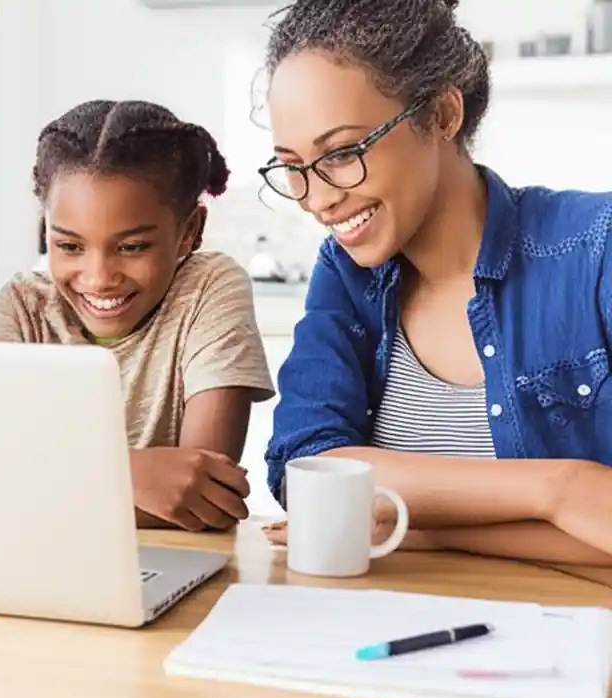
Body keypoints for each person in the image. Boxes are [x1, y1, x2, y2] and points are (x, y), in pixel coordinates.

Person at [261, 0, 612, 564]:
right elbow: (306, 468)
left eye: (343, 153)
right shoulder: (348, 272)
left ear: (443, 115)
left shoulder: (595, 249)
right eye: (292, 167)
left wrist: (412, 526)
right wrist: (558, 490)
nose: (318, 199)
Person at [0, 100, 275, 531]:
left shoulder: (210, 289)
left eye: (133, 247)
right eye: (68, 246)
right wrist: (132, 474)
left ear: (189, 232)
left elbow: (206, 499)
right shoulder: (23, 308)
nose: (99, 278)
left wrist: (52, 484)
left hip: (179, 563)